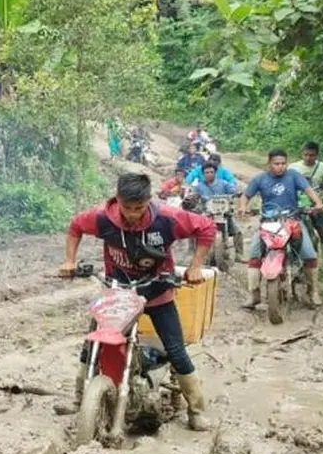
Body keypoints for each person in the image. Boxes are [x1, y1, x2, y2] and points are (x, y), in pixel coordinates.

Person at [57, 173, 217, 431]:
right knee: (92, 346)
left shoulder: (167, 218)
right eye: (127, 207)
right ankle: (79, 400)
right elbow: (75, 227)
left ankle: (196, 411)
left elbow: (207, 228)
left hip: (157, 291)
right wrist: (69, 261)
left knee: (176, 351)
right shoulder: (102, 218)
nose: (132, 214)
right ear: (117, 200)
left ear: (148, 201)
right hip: (118, 293)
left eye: (139, 208)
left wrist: (196, 266)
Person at [239, 149, 323, 307]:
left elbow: (308, 190)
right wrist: (242, 207)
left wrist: (318, 203)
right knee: (253, 255)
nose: (280, 166)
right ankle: (254, 295)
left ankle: (312, 291)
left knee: (310, 255)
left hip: (292, 220)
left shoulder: (294, 176)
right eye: (276, 163)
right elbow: (246, 196)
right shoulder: (260, 179)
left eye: (283, 163)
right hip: (268, 222)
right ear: (269, 163)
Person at [290, 141, 323, 267]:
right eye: (305, 155)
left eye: (311, 155)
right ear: (301, 154)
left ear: (317, 155)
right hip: (298, 206)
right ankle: (294, 259)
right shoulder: (293, 168)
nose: (308, 158)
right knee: (294, 233)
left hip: (317, 206)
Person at [192, 163, 243, 249]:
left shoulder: (224, 183)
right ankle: (194, 250)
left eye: (211, 172)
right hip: (207, 212)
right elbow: (194, 197)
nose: (209, 174)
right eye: (207, 172)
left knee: (237, 231)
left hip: (224, 212)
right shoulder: (199, 187)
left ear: (215, 173)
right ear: (203, 174)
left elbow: (233, 190)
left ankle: (239, 253)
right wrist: (193, 198)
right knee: (194, 230)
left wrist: (236, 193)